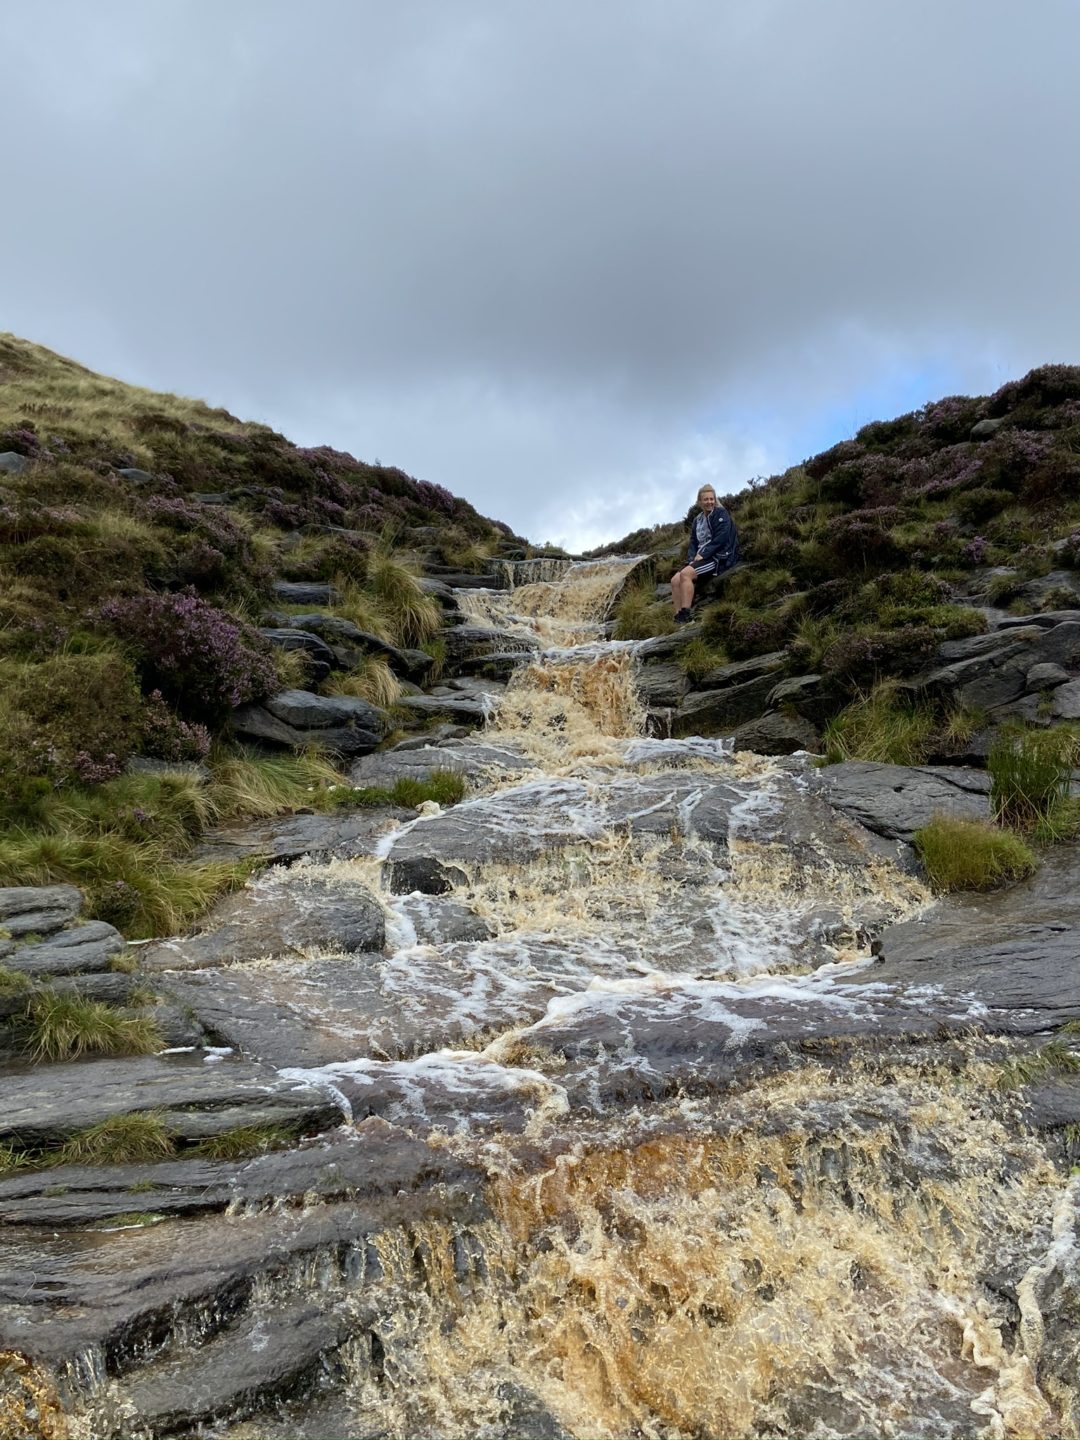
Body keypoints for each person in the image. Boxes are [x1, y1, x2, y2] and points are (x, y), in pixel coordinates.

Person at [670, 484, 738, 623]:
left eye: (711, 499)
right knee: (675, 580)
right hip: (700, 557)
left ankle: (686, 613)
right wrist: (691, 559)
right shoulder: (698, 520)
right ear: (700, 502)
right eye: (706, 499)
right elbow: (694, 542)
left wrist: (705, 553)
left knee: (685, 574)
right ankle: (678, 616)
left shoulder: (720, 514)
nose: (709, 502)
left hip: (717, 557)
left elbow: (722, 537)